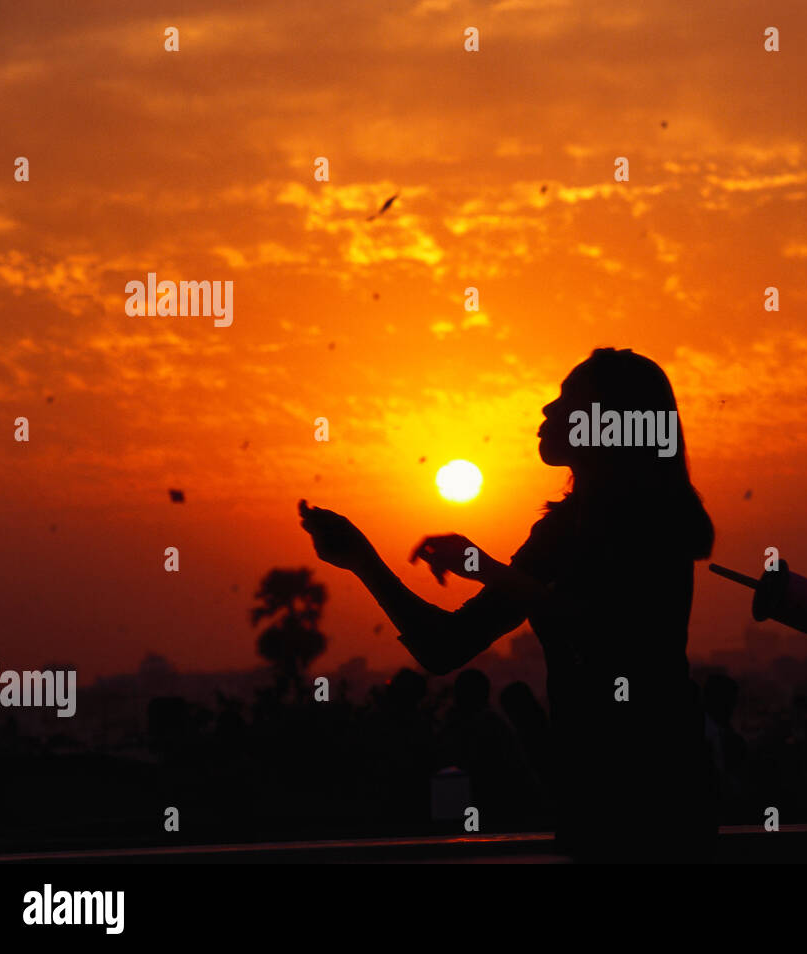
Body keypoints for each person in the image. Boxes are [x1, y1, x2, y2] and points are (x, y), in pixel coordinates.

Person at [299, 348, 717, 861]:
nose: (547, 411)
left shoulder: (654, 522)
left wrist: (490, 570)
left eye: (568, 400)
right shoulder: (560, 531)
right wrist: (362, 559)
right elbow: (446, 647)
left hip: (656, 787)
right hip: (590, 795)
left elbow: (615, 635)